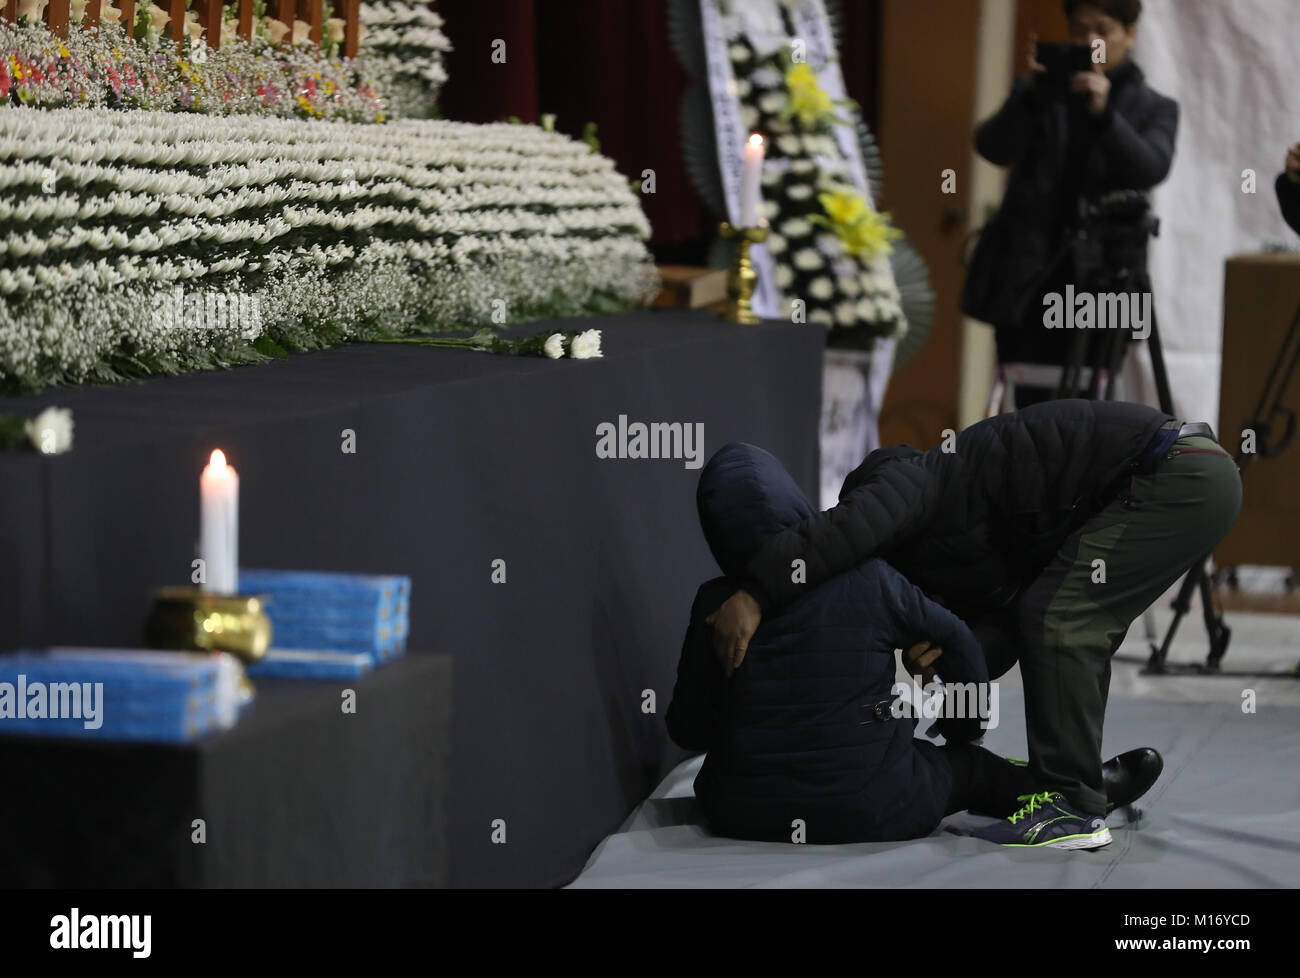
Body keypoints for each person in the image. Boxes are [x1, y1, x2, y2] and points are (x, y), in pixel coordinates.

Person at [704, 399, 1240, 849]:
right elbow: (1008, 636)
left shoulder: (914, 476)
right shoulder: (983, 525)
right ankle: (1073, 785)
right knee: (1067, 619)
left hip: (1177, 472)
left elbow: (852, 527)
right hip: (1188, 476)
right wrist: (957, 690)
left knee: (1064, 621)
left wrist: (756, 592)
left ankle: (1072, 806)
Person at [963, 0, 1178, 402]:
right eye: (1079, 30)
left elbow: (1152, 166)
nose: (1088, 41)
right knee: (1026, 408)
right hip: (1030, 278)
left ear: (1130, 34)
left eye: (1102, 30)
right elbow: (991, 146)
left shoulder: (1154, 107)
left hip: (1106, 283)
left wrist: (1104, 117)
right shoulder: (1039, 95)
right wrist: (1029, 97)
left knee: (1089, 417)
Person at [1276, 142, 1300, 235]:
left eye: (1295, 156)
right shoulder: (1283, 182)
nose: (1288, 157)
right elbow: (1292, 217)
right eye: (1290, 153)